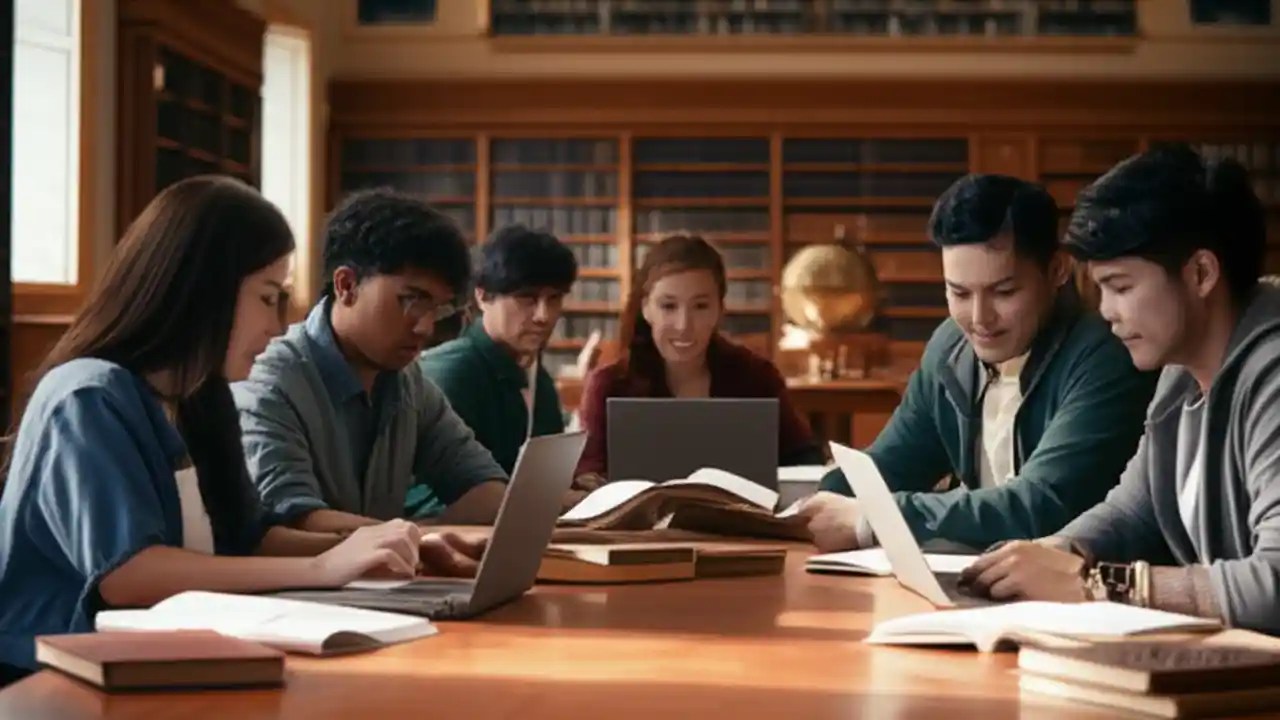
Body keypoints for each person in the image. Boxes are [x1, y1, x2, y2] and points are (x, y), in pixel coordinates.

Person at [0, 177, 480, 683]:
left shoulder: (201, 398)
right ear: (202, 291)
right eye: (268, 298)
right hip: (46, 679)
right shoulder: (89, 396)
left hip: (154, 665)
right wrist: (324, 568)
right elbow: (130, 576)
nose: (277, 327)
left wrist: (381, 544)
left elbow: (250, 539)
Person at [958, 146, 1280, 634]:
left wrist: (1095, 584)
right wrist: (1057, 551)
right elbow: (1134, 508)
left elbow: (1274, 583)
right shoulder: (1179, 370)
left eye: (1121, 286)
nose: (1106, 310)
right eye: (1099, 289)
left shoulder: (1273, 377)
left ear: (1201, 274)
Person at [799, 174, 1156, 552]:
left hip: (1071, 589)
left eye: (1004, 292)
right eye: (959, 292)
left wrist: (874, 521)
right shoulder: (951, 346)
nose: (979, 318)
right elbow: (890, 465)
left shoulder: (1105, 355)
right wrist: (812, 507)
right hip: (979, 579)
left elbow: (1040, 505)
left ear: (1057, 271)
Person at [233, 189, 507, 535]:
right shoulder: (269, 382)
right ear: (346, 285)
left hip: (384, 581)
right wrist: (413, 539)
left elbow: (481, 483)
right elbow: (293, 521)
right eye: (411, 301)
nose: (425, 327)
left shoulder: (408, 383)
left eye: (437, 309)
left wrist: (428, 536)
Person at [575, 234, 822, 482]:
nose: (684, 325)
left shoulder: (756, 376)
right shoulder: (609, 385)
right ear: (646, 308)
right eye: (668, 306)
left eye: (700, 306)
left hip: (738, 518)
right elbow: (588, 476)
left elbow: (805, 459)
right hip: (634, 521)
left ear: (719, 309)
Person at [417, 225, 596, 514]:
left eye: (555, 299)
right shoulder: (451, 372)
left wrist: (574, 485)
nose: (543, 316)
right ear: (483, 296)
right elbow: (427, 500)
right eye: (527, 298)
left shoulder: (541, 381)